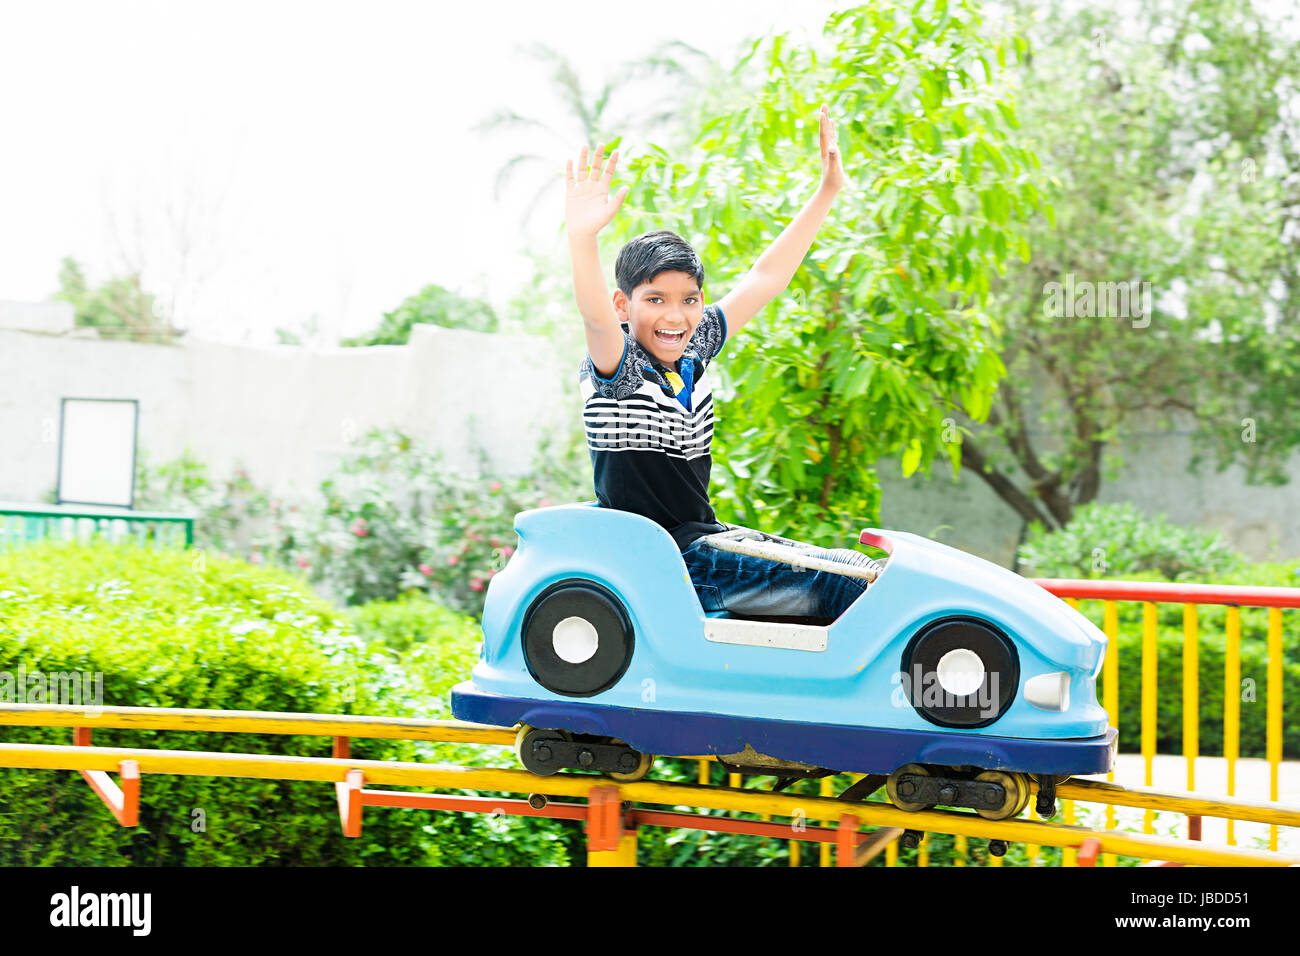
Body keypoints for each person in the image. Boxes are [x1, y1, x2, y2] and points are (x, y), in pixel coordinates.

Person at [565, 104, 875, 622]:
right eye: (655, 299)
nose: (675, 315)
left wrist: (827, 193)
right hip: (663, 563)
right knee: (843, 588)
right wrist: (582, 237)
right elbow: (594, 317)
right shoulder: (620, 368)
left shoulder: (695, 344)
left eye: (688, 299)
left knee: (856, 569)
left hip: (704, 541)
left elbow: (765, 278)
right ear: (625, 306)